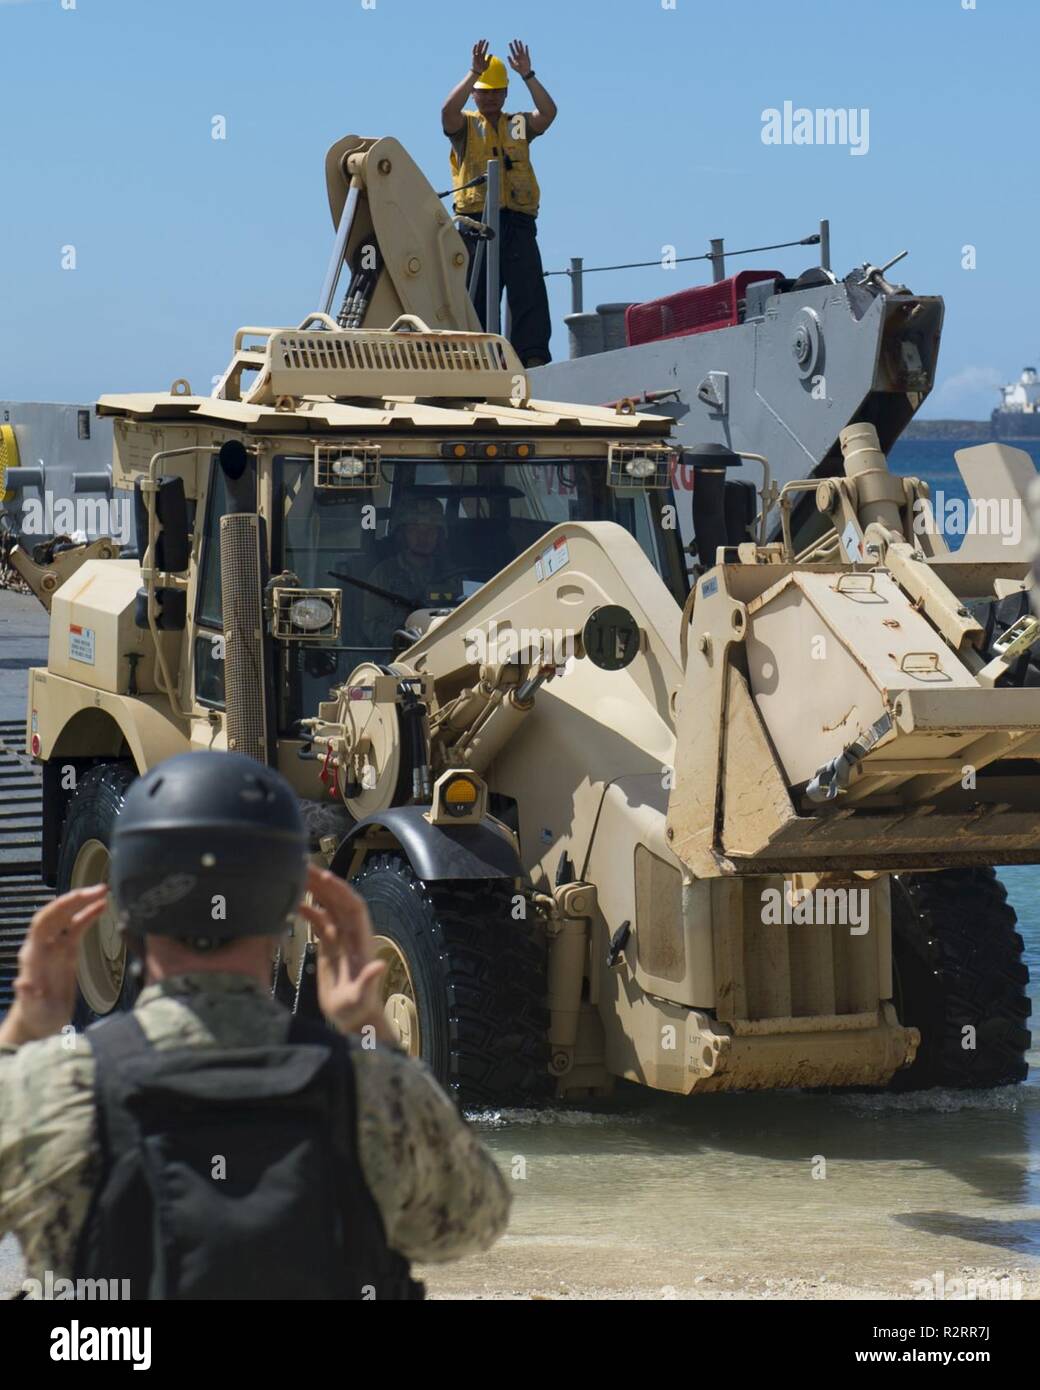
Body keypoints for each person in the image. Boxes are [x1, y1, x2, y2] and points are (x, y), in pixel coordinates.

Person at [0, 752, 511, 1300]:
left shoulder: (55, 1088)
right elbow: (469, 1224)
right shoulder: (373, 1091)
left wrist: (24, 1034)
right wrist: (371, 1031)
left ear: (124, 903)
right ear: (288, 902)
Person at [442, 38, 556, 367]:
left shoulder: (516, 125)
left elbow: (548, 113)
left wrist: (528, 75)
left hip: (517, 224)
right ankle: (475, 362)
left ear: (505, 93)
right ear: (474, 93)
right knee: (475, 296)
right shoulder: (464, 125)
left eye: (496, 91)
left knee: (528, 292)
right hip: (475, 227)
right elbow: (446, 111)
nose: (490, 98)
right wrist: (472, 72)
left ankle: (531, 360)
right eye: (484, 91)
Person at [361, 494, 461, 647]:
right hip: (395, 656)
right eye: (414, 530)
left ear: (440, 535)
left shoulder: (452, 575)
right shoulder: (384, 574)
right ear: (402, 534)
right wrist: (405, 637)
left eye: (431, 530)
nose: (423, 538)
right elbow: (372, 627)